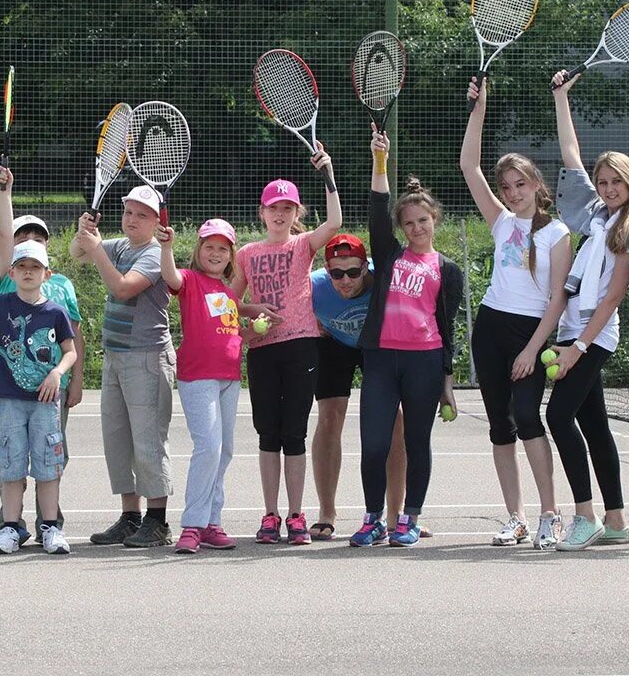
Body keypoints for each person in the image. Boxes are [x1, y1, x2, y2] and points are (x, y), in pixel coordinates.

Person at [460, 77, 570, 550]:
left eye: (520, 184)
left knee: (528, 416)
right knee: (500, 426)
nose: (512, 193)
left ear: (535, 184)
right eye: (506, 187)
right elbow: (468, 165)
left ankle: (550, 514)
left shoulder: (557, 233)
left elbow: (557, 300)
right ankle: (516, 517)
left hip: (531, 334)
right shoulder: (501, 221)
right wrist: (479, 109)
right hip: (490, 328)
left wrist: (532, 349)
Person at [548, 70, 629, 551]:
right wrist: (561, 98)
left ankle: (584, 516)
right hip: (574, 330)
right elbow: (571, 155)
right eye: (603, 181)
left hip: (594, 333)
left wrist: (578, 348)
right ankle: (616, 520)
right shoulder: (596, 215)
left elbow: (612, 297)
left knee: (557, 417)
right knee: (594, 424)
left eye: (616, 182)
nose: (608, 188)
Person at [349, 127, 463, 548]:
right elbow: (378, 209)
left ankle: (409, 518)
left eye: (422, 220)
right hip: (380, 359)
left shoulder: (447, 269)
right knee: (374, 443)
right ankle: (372, 518)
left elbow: (447, 328)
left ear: (434, 220)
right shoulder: (390, 254)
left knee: (417, 442)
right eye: (408, 223)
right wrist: (380, 161)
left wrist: (447, 381)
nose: (415, 228)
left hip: (425, 362)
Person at [230, 145, 341, 545]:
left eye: (288, 208)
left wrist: (327, 173)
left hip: (301, 346)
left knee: (294, 433)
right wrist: (251, 310)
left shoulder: (302, 246)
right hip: (263, 349)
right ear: (262, 213)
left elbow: (336, 221)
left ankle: (296, 514)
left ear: (297, 215)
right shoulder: (246, 254)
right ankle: (270, 514)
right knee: (267, 434)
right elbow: (228, 303)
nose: (280, 214)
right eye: (273, 208)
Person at [0, 240, 78, 555]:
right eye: (22, 266)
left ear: (47, 274)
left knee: (49, 464)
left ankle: (50, 528)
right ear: (12, 272)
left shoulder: (56, 312)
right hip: (9, 400)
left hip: (47, 402)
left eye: (35, 267)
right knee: (11, 463)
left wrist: (56, 374)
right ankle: (9, 527)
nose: (29, 272)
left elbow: (70, 353)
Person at [71, 185, 175, 548]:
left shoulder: (153, 255)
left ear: (156, 222)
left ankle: (157, 521)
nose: (132, 219)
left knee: (148, 443)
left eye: (141, 215)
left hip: (146, 358)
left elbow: (122, 289)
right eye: (129, 212)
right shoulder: (118, 246)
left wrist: (97, 247)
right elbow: (77, 254)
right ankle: (130, 518)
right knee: (118, 442)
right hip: (114, 358)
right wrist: (84, 234)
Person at [308, 234, 429, 541]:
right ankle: (327, 513)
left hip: (376, 344)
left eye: (352, 272)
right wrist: (310, 322)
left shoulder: (386, 279)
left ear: (365, 268)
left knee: (395, 420)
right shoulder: (315, 286)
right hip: (333, 343)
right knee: (329, 417)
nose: (345, 280)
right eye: (337, 273)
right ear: (326, 269)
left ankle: (394, 516)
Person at [0, 165, 83, 545]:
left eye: (37, 237)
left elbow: (74, 336)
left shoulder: (61, 285)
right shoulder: (8, 281)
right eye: (22, 237)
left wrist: (73, 379)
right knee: (13, 457)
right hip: (15, 393)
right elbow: (4, 237)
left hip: (53, 388)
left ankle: (51, 523)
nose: (30, 240)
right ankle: (10, 525)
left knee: (51, 454)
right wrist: (5, 192)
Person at [155, 218, 251, 554]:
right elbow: (170, 277)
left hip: (229, 378)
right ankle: (192, 526)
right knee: (208, 447)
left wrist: (255, 328)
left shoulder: (226, 293)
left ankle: (212, 522)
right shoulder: (191, 280)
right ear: (198, 250)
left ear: (230, 256)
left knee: (223, 452)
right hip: (198, 376)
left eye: (222, 248)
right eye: (209, 246)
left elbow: (231, 333)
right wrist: (166, 246)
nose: (215, 253)